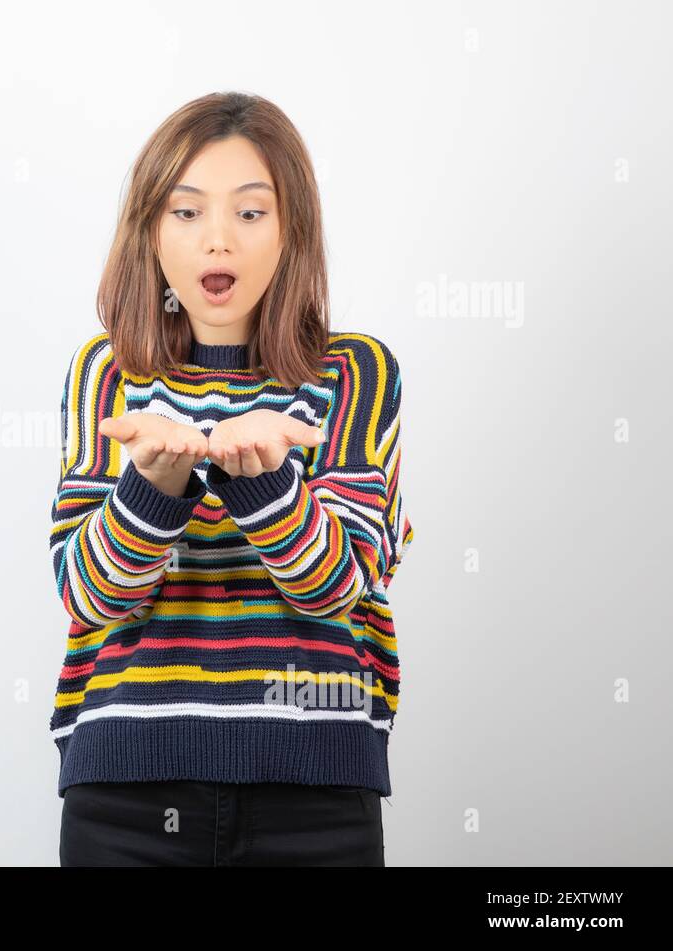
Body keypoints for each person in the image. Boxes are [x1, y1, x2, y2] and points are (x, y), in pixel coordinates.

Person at [48, 91, 415, 866]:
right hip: (126, 795)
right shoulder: (106, 375)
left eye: (251, 213)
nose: (218, 240)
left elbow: (339, 584)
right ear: (150, 231)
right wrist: (156, 484)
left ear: (293, 232)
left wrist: (263, 480)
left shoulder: (356, 371)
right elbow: (89, 594)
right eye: (186, 213)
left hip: (314, 796)